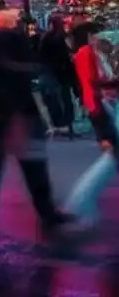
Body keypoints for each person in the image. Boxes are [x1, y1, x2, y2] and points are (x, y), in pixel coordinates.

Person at [0, 7, 74, 240]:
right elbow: (3, 76)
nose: (16, 17)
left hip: (8, 113)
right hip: (8, 113)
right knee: (5, 168)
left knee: (5, 168)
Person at [63, 27, 119, 225]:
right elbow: (91, 84)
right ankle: (79, 204)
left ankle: (80, 205)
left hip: (107, 106)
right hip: (103, 108)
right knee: (110, 160)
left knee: (111, 160)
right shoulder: (86, 54)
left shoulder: (98, 53)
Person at [39, 14, 78, 136]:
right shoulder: (59, 38)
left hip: (56, 73)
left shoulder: (48, 38)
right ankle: (67, 125)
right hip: (61, 73)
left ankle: (62, 125)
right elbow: (65, 56)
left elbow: (42, 56)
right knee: (65, 100)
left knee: (60, 100)